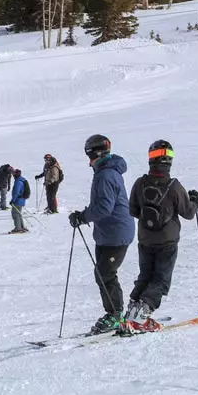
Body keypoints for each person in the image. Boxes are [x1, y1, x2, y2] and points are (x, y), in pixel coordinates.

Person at [123, 139, 198, 333]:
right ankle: (140, 316)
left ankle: (132, 312)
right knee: (161, 280)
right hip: (167, 240)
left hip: (145, 239)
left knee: (145, 275)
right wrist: (195, 202)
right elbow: (188, 213)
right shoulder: (174, 186)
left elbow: (133, 210)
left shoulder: (140, 183)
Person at [69, 134, 135, 334]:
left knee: (105, 273)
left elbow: (105, 208)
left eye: (89, 156)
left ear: (95, 153)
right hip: (108, 233)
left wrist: (83, 216)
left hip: (116, 233)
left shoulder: (106, 175)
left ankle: (115, 315)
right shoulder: (105, 172)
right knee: (103, 274)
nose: (88, 162)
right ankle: (114, 313)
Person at [9, 168, 31, 233]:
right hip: (21, 200)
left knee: (15, 213)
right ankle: (21, 226)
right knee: (18, 213)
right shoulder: (21, 179)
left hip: (18, 200)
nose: (13, 175)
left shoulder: (18, 181)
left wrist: (13, 200)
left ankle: (18, 228)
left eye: (14, 173)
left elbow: (16, 192)